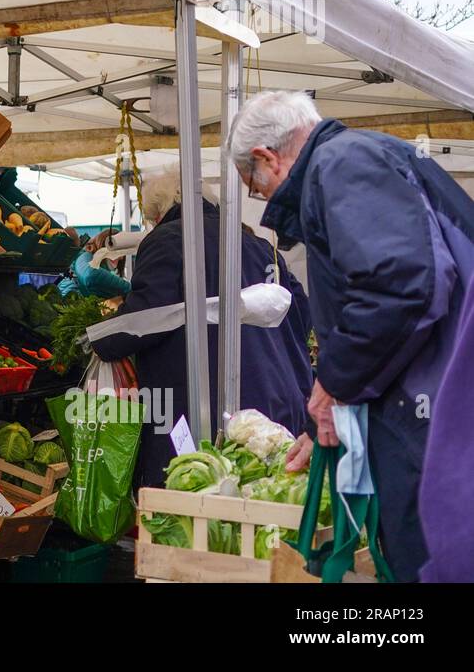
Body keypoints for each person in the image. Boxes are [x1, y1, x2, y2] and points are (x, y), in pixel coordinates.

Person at [227, 90, 474, 582]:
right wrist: (324, 417)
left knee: (432, 557)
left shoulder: (343, 163)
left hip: (437, 411)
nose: (264, 202)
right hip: (435, 399)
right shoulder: (360, 157)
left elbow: (403, 286)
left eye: (255, 190)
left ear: (266, 158)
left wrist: (335, 384)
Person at [89, 170, 314, 489]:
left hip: (204, 408)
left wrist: (100, 339)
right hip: (275, 398)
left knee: (195, 499)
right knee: (262, 500)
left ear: (157, 214)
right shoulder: (260, 245)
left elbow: (147, 315)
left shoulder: (169, 240)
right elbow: (301, 313)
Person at [58, 228, 131, 299]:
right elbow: (90, 275)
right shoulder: (85, 255)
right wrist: (130, 288)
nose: (121, 257)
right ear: (104, 244)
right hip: (70, 303)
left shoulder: (96, 264)